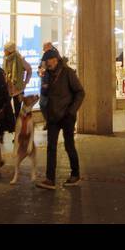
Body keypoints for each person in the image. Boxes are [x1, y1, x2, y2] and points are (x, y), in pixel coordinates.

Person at [37, 48, 85, 189]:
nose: (46, 64)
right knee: (51, 147)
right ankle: (49, 179)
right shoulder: (46, 75)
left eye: (48, 61)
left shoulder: (67, 72)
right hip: (52, 116)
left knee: (69, 145)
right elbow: (44, 94)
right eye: (45, 62)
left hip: (66, 116)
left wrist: (71, 111)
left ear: (55, 59)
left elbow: (80, 92)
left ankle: (75, 174)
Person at [2, 41, 32, 118]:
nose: (4, 51)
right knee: (5, 107)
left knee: (18, 109)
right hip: (8, 88)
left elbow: (29, 70)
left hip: (19, 88)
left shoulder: (20, 59)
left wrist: (26, 82)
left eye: (5, 50)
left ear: (10, 50)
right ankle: (10, 124)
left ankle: (17, 126)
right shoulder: (5, 59)